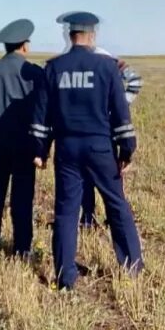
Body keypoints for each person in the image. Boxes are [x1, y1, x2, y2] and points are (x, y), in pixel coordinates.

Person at [30, 11, 143, 290]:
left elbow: (41, 115)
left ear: (69, 35)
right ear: (92, 35)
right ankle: (132, 267)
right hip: (100, 147)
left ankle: (65, 276)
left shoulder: (53, 68)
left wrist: (40, 150)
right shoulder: (106, 67)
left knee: (67, 211)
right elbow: (120, 113)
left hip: (67, 148)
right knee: (116, 204)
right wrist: (126, 150)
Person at [56, 13, 144, 229]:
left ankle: (104, 219)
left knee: (106, 179)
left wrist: (116, 107)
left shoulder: (105, 58)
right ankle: (88, 218)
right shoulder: (70, 57)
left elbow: (134, 81)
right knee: (88, 178)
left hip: (100, 129)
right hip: (92, 131)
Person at [0, 19, 44, 261]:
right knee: (22, 199)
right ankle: (23, 250)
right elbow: (43, 111)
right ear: (24, 46)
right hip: (25, 144)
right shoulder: (34, 73)